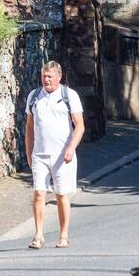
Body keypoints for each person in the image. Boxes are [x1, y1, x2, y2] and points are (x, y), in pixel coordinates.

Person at [25, 61, 85, 249]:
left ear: (59, 77)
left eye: (50, 76)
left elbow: (80, 126)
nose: (47, 79)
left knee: (61, 195)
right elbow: (29, 128)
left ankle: (64, 235)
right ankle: (38, 235)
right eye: (44, 76)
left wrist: (71, 148)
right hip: (40, 155)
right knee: (39, 193)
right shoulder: (34, 96)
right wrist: (29, 152)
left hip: (62, 155)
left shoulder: (69, 96)